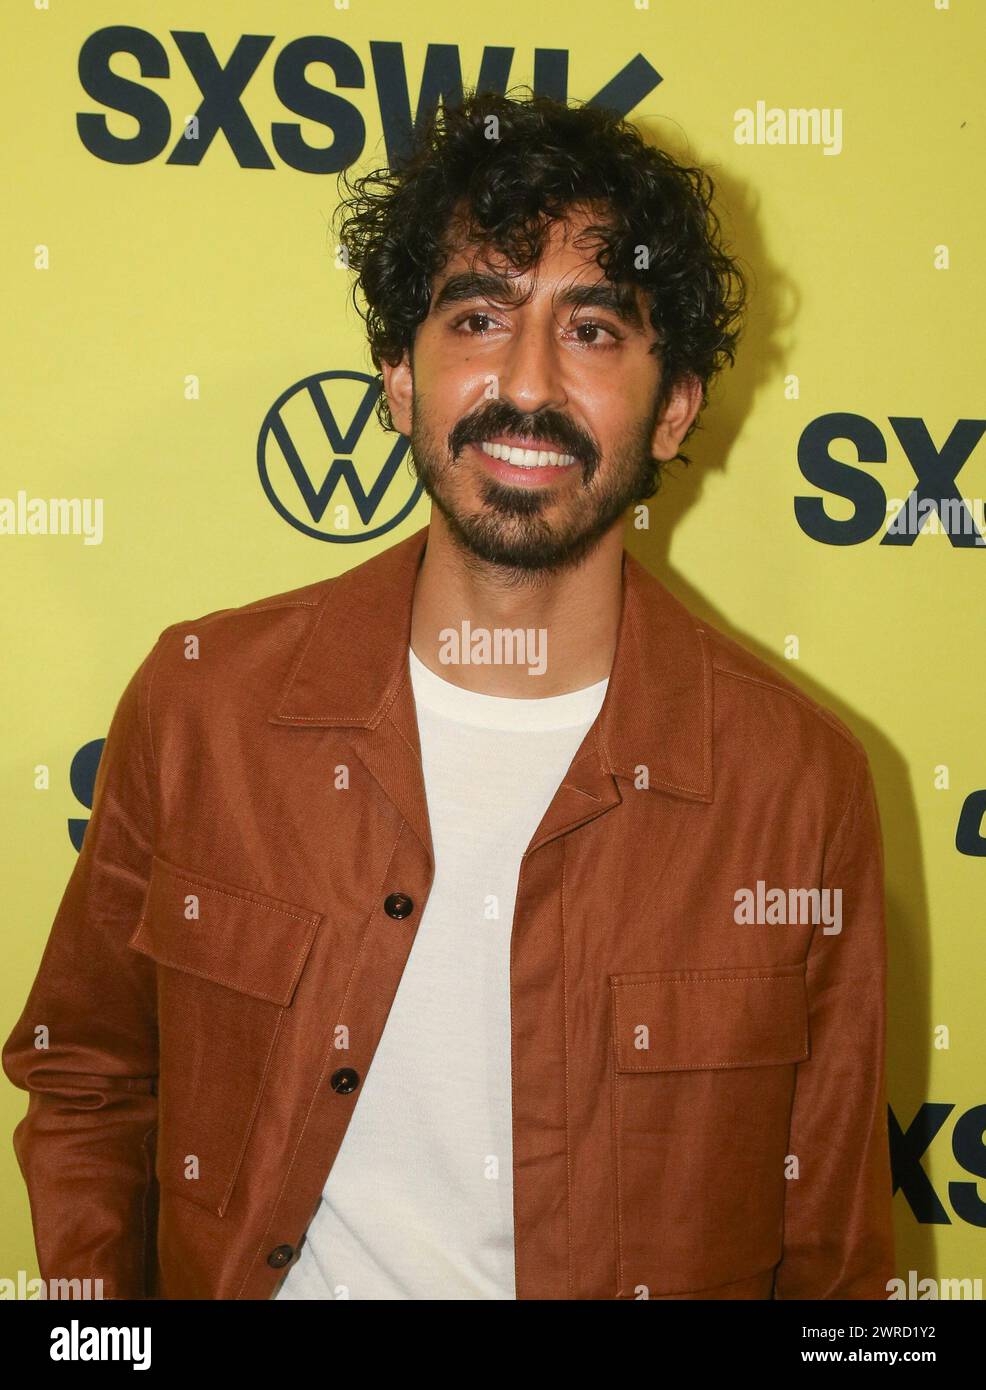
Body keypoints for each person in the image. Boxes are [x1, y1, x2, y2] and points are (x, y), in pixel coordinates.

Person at [3, 89, 895, 1300]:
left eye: (590, 331)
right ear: (398, 380)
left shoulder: (796, 781)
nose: (524, 384)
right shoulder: (203, 703)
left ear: (673, 406)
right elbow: (88, 1078)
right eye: (477, 316)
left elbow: (833, 1252)